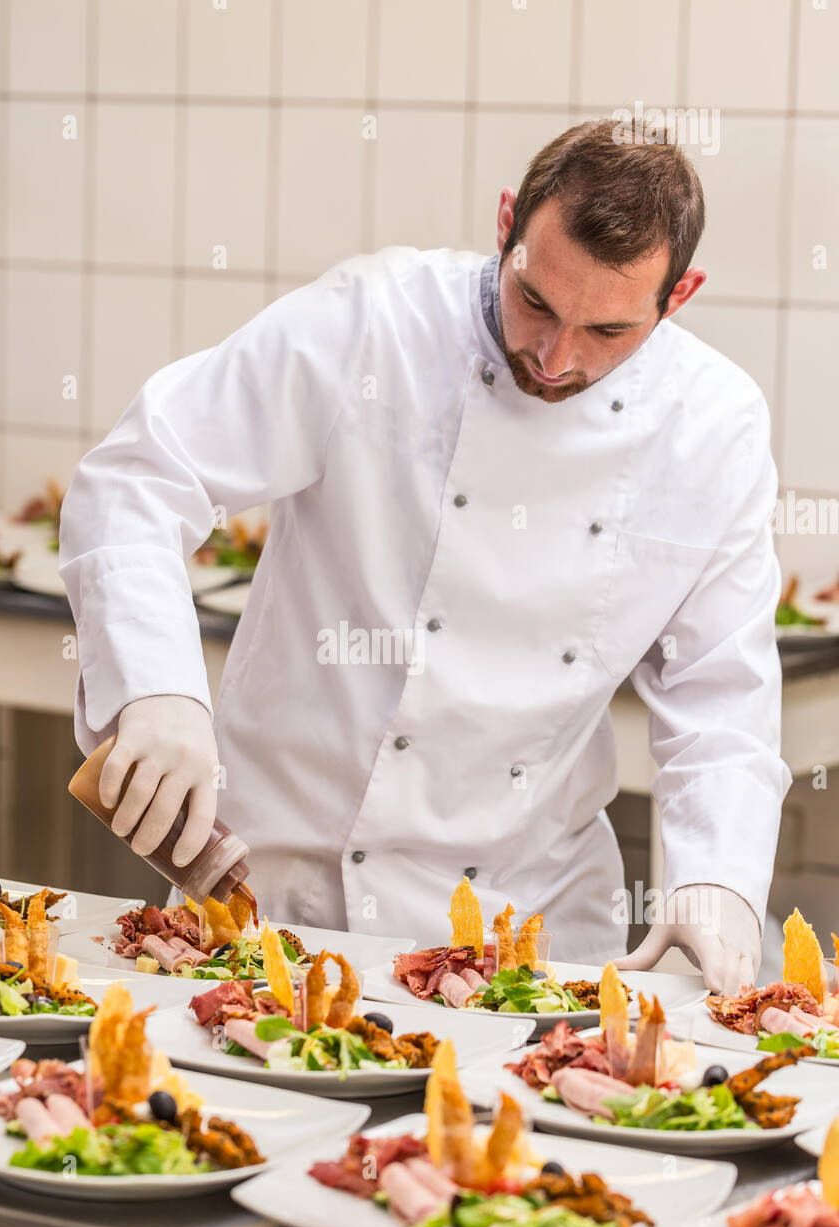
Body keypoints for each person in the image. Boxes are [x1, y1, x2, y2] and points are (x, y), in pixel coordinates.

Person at [59, 119, 790, 992]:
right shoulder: (373, 322)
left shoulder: (714, 427)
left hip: (528, 929)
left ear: (680, 295)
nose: (556, 359)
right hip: (276, 900)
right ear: (508, 223)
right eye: (538, 304)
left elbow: (722, 696)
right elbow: (140, 474)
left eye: (607, 332)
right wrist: (159, 693)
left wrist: (716, 886)